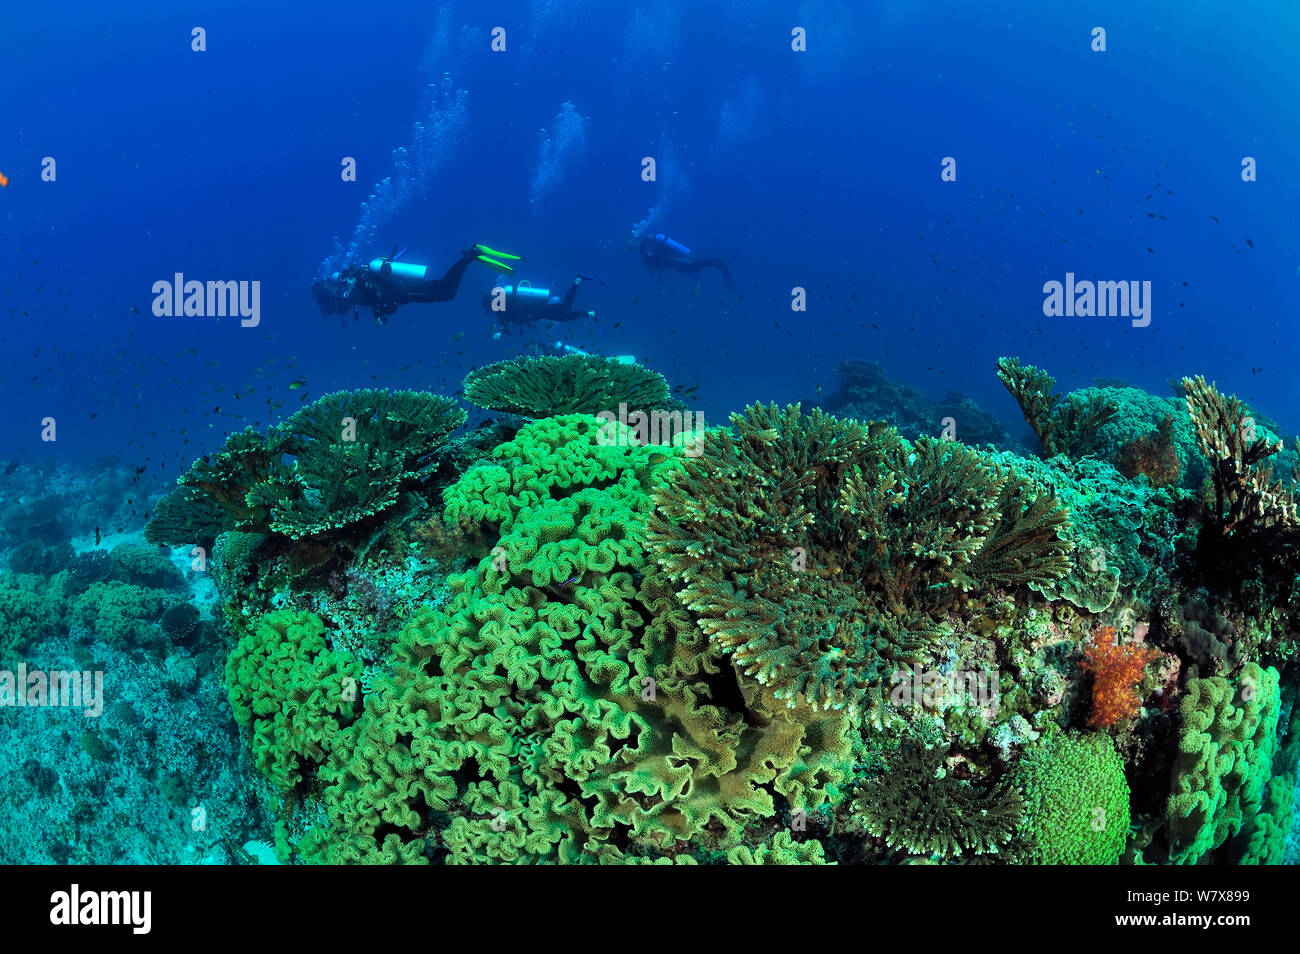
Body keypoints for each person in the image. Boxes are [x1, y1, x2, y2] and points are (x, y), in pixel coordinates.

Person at [312, 244, 522, 323]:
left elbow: (375, 293)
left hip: (403, 292)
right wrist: (380, 311)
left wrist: (384, 308)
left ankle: (469, 256)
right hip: (402, 291)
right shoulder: (351, 283)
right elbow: (374, 295)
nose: (336, 309)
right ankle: (468, 257)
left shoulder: (348, 287)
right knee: (443, 289)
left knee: (445, 292)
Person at [484, 275, 598, 337]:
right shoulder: (500, 311)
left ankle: (577, 280)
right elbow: (509, 320)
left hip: (536, 310)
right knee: (563, 317)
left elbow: (512, 314)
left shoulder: (501, 309)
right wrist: (501, 331)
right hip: (536, 313)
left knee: (565, 308)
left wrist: (502, 330)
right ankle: (589, 313)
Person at [631, 230, 736, 293]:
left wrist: (651, 265)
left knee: (692, 267)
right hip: (672, 262)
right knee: (691, 268)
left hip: (673, 261)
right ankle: (716, 262)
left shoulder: (646, 247)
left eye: (633, 246)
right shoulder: (646, 247)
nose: (634, 249)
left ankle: (717, 262)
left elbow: (655, 260)